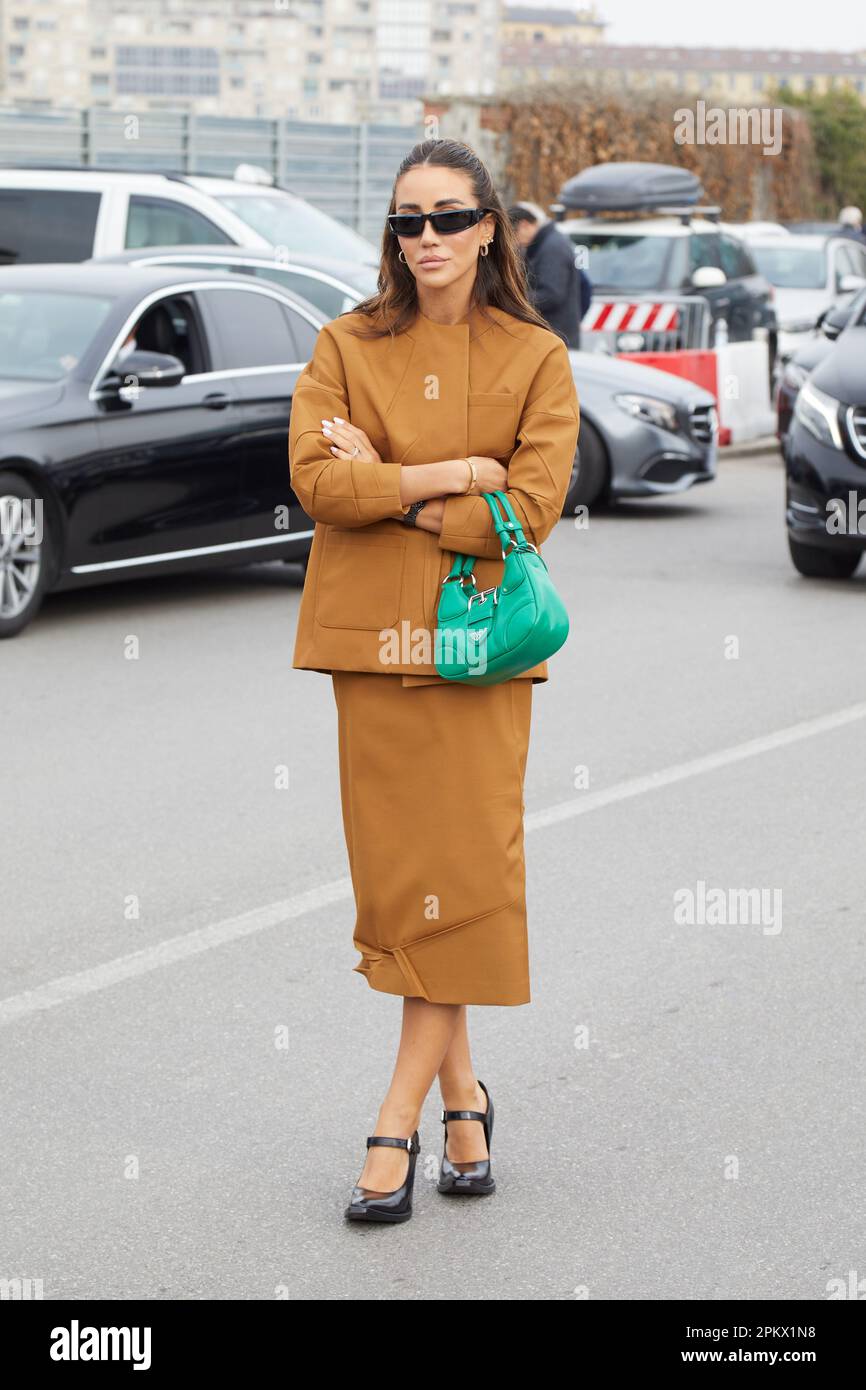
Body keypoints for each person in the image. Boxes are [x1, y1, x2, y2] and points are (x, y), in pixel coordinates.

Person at [288, 138, 580, 1225]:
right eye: (406, 221)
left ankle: (395, 1116)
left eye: (446, 218)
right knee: (400, 881)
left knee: (460, 874)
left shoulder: (535, 358)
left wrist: (388, 486)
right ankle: (466, 1098)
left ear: (488, 227)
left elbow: (534, 507)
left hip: (480, 651)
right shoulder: (343, 342)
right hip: (370, 650)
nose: (425, 241)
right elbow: (316, 480)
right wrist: (453, 475)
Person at [508, 200, 586, 348]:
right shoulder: (545, 244)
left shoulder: (552, 248)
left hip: (558, 336)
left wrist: (513, 300)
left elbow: (551, 295)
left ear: (525, 225)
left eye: (514, 234)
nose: (515, 241)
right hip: (555, 334)